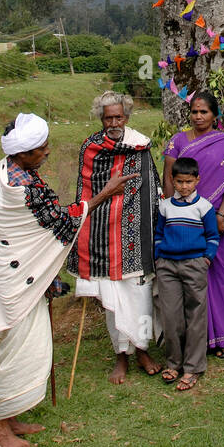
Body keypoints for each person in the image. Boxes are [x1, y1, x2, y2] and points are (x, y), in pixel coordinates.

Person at [0, 113, 131, 447]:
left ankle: (12, 418)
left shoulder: (0, 171)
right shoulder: (19, 188)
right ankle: (1, 432)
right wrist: (105, 193)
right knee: (16, 348)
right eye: (41, 149)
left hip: (18, 271)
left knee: (25, 344)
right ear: (22, 154)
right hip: (18, 281)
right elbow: (61, 221)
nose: (47, 152)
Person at [69, 91, 161, 383]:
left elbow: (151, 188)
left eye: (118, 117)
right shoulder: (91, 148)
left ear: (127, 116)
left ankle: (143, 350)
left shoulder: (140, 145)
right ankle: (121, 355)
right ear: (101, 118)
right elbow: (86, 193)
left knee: (141, 295)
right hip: (104, 240)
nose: (113, 122)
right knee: (113, 299)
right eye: (108, 117)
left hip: (136, 238)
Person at [163, 92, 224, 358]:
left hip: (220, 223)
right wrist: (174, 215)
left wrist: (220, 214)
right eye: (194, 112)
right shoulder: (177, 141)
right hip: (185, 223)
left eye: (204, 112)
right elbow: (169, 182)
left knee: (222, 275)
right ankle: (199, 340)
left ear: (214, 115)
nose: (198, 117)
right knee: (193, 281)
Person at [155, 156, 220, 390]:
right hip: (167, 266)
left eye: (189, 182)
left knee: (195, 317)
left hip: (195, 265)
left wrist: (205, 260)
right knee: (171, 317)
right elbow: (159, 234)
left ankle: (193, 367)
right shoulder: (165, 206)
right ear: (172, 180)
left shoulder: (204, 207)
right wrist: (158, 254)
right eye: (179, 182)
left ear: (197, 180)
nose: (184, 187)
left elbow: (213, 237)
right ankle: (173, 362)